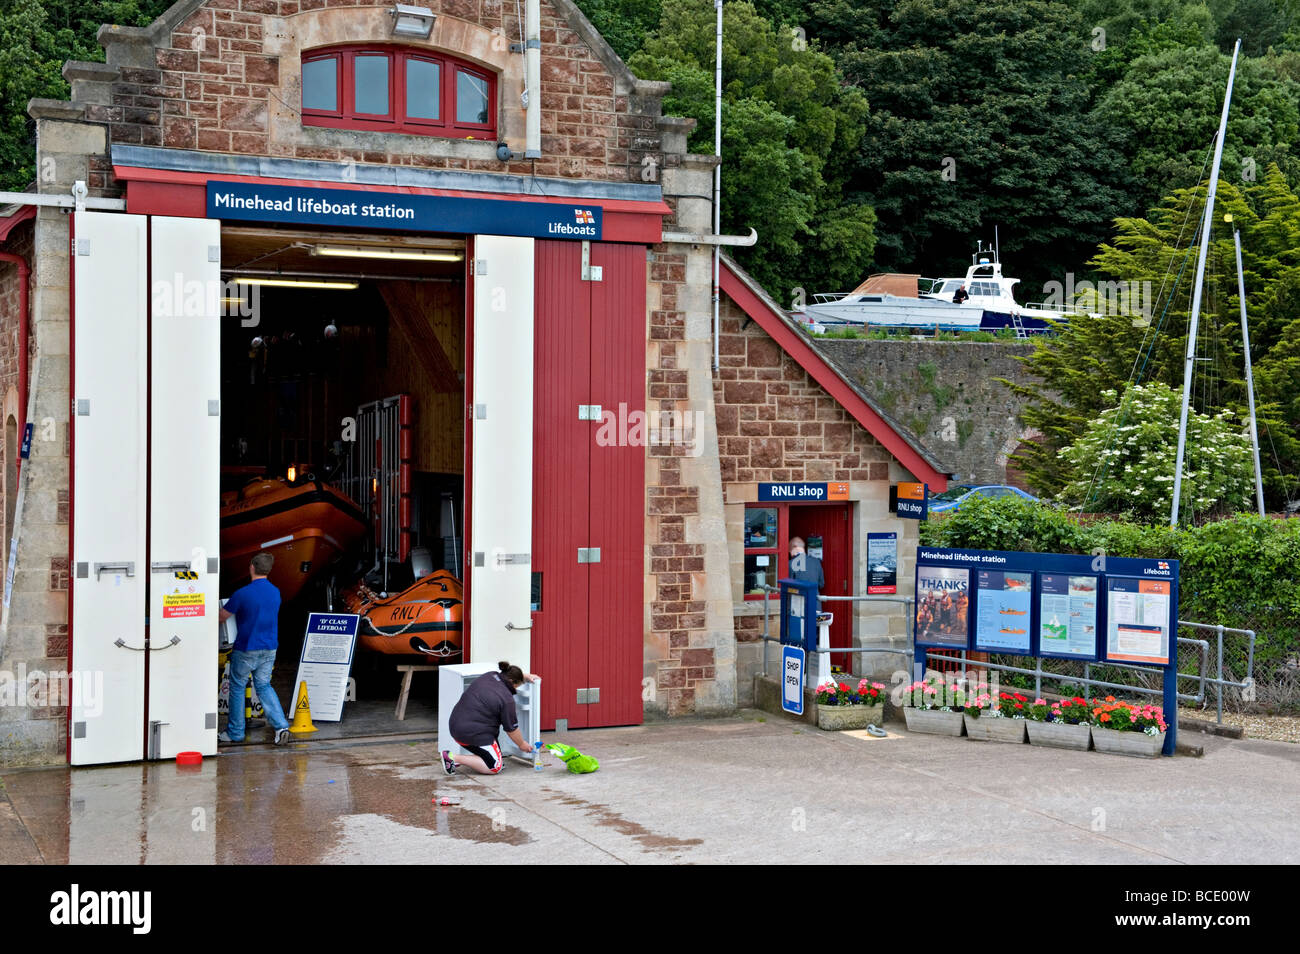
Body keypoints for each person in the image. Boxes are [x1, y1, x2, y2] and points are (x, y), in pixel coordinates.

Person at [217, 551, 291, 745]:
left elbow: (221, 617)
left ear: (251, 567)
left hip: (246, 647)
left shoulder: (242, 593)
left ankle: (235, 732)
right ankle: (281, 725)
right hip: (270, 648)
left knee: (238, 686)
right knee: (264, 685)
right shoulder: (275, 592)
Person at [441, 661, 540, 775]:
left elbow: (511, 676)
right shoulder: (506, 699)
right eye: (518, 685)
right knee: (495, 766)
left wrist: (525, 676)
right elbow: (511, 730)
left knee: (494, 752)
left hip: (456, 725)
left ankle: (486, 757)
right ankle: (453, 758)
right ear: (512, 682)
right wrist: (522, 744)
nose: (517, 689)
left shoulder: (490, 675)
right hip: (471, 733)